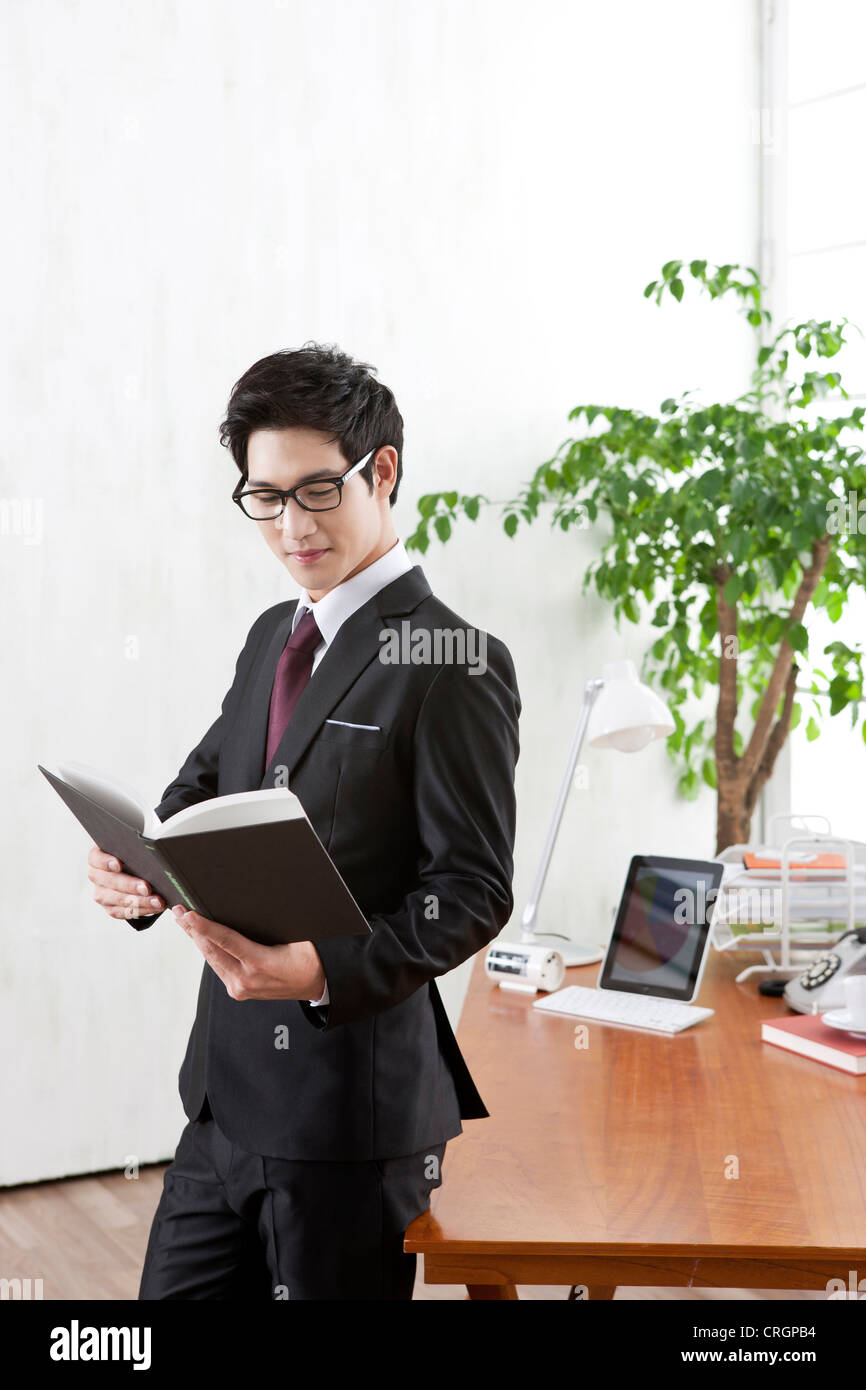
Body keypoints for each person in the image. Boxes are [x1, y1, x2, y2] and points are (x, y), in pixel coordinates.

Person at [86, 341, 521, 1300]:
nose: (291, 525)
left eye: (318, 490)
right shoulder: (271, 636)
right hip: (222, 1100)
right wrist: (140, 872)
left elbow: (474, 893)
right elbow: (204, 791)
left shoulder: (451, 657)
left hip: (346, 1121)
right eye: (265, 497)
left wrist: (321, 969)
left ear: (384, 471)